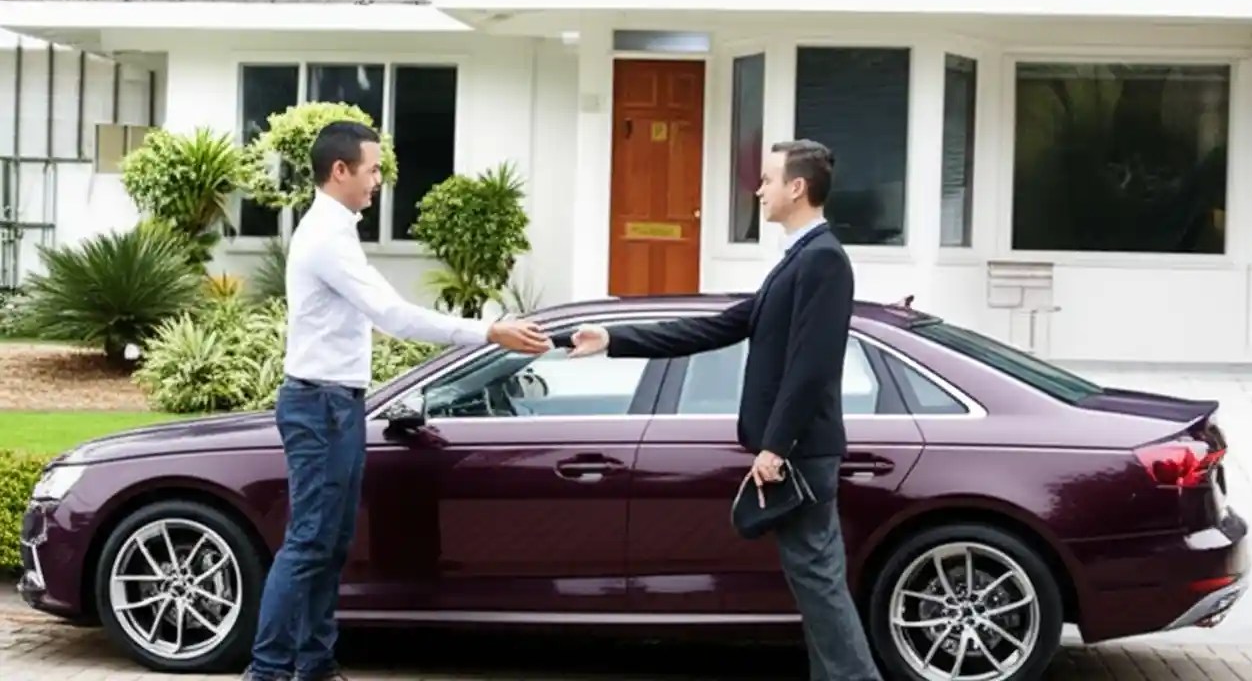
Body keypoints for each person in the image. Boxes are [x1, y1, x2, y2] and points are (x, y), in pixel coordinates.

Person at [559, 139, 881, 681]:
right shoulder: (800, 259)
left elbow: (813, 366)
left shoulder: (823, 260)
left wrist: (776, 446)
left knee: (820, 585)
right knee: (814, 585)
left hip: (802, 454)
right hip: (797, 452)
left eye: (768, 180)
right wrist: (613, 338)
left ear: (797, 187)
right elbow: (717, 327)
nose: (759, 190)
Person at [244, 121, 551, 681]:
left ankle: (314, 665)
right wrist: (488, 332)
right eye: (372, 169)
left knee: (330, 543)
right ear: (340, 170)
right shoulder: (326, 237)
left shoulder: (337, 231)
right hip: (319, 406)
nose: (379, 180)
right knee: (309, 541)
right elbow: (393, 315)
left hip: (335, 404)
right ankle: (267, 672)